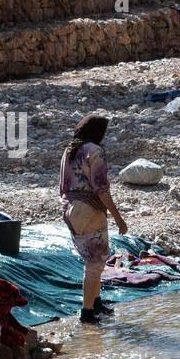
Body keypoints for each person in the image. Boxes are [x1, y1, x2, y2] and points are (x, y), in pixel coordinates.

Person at [59, 113, 127, 324]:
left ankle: (96, 302)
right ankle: (87, 313)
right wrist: (118, 218)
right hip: (89, 210)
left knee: (93, 261)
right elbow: (101, 190)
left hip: (71, 210)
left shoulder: (70, 149)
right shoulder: (95, 152)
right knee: (94, 264)